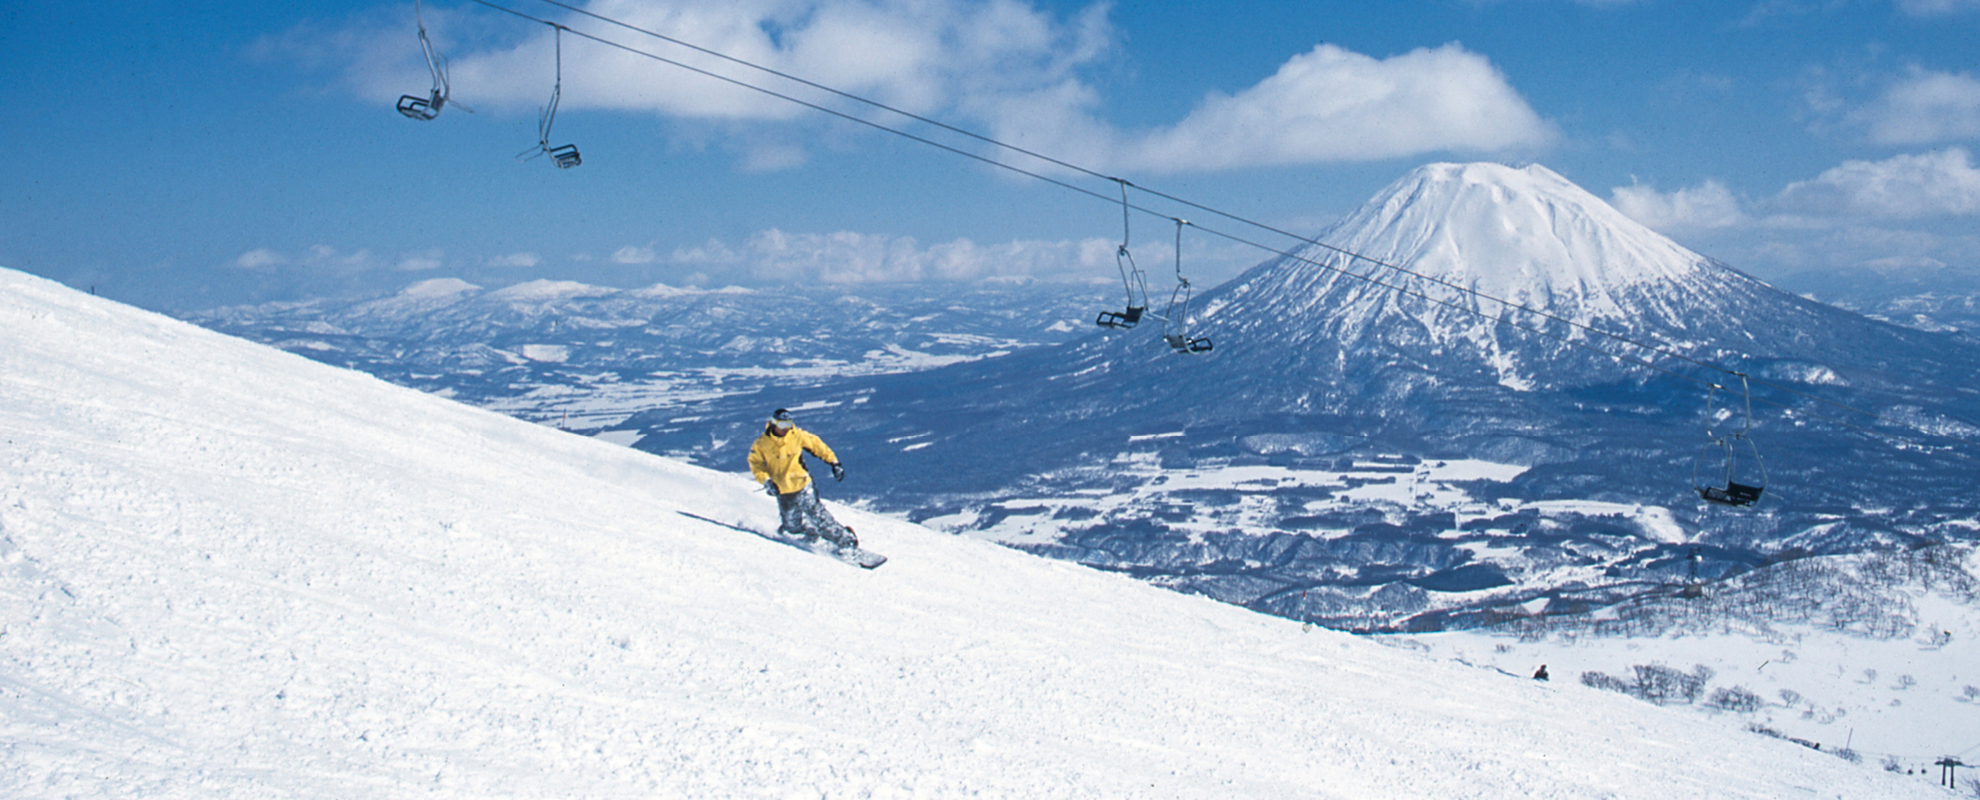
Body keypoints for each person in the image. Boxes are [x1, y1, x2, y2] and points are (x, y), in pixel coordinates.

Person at [747, 408, 856, 549]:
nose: (785, 428)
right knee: (792, 526)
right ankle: (811, 535)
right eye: (781, 425)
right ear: (774, 424)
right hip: (783, 490)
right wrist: (766, 481)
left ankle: (845, 541)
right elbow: (756, 465)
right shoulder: (762, 443)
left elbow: (818, 446)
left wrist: (834, 463)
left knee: (817, 514)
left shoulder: (797, 436)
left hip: (802, 484)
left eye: (788, 424)